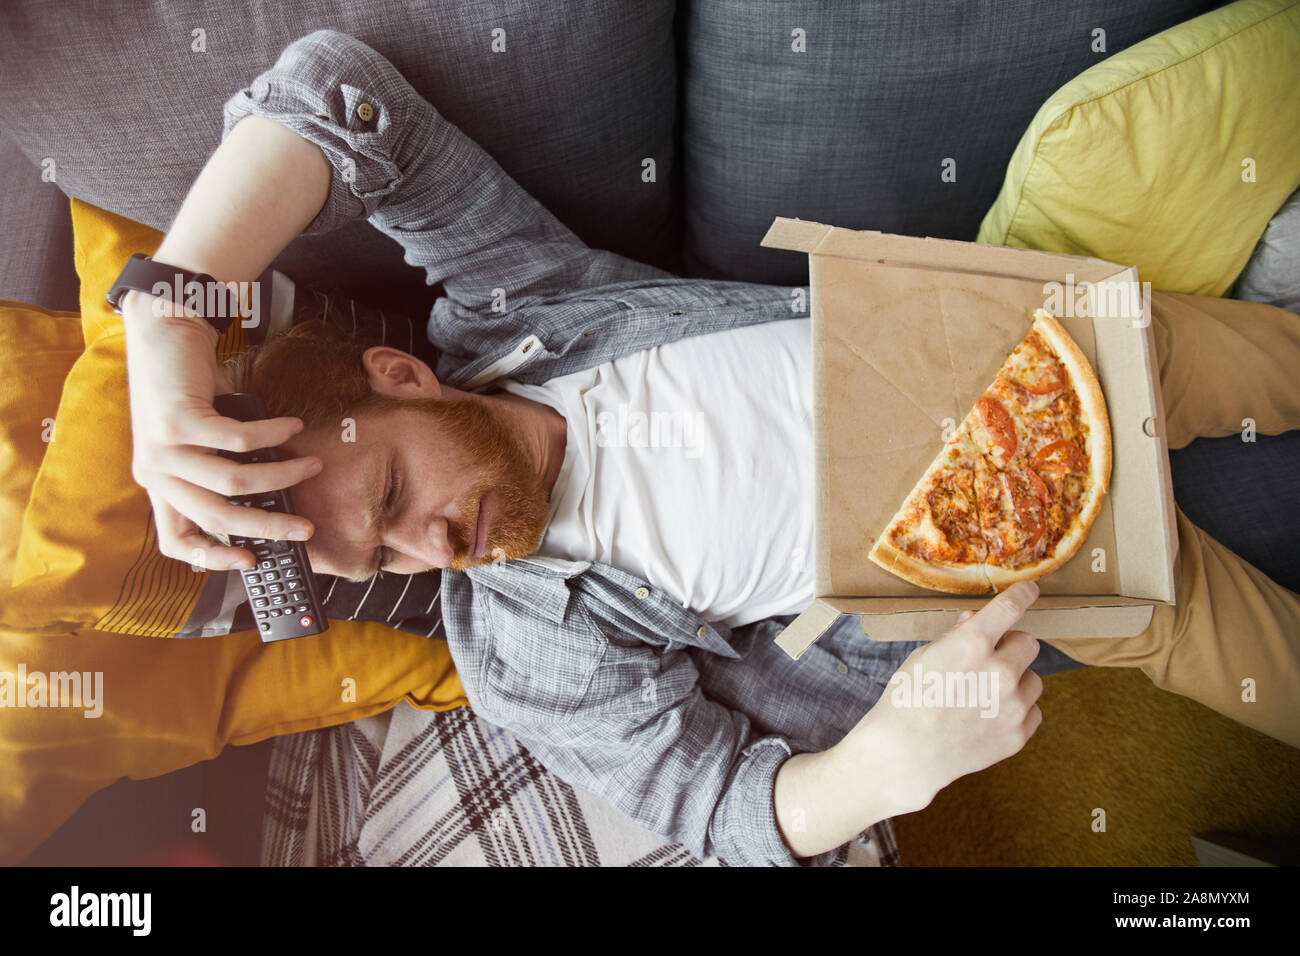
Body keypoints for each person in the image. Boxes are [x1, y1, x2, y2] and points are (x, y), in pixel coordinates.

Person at [120, 31, 1300, 865]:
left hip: (1047, 352)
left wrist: (164, 326)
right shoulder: (524, 656)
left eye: (390, 486)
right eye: (387, 558)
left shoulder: (525, 304)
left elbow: (334, 89)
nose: (429, 543)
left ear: (400, 375)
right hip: (1041, 571)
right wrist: (889, 768)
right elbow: (720, 808)